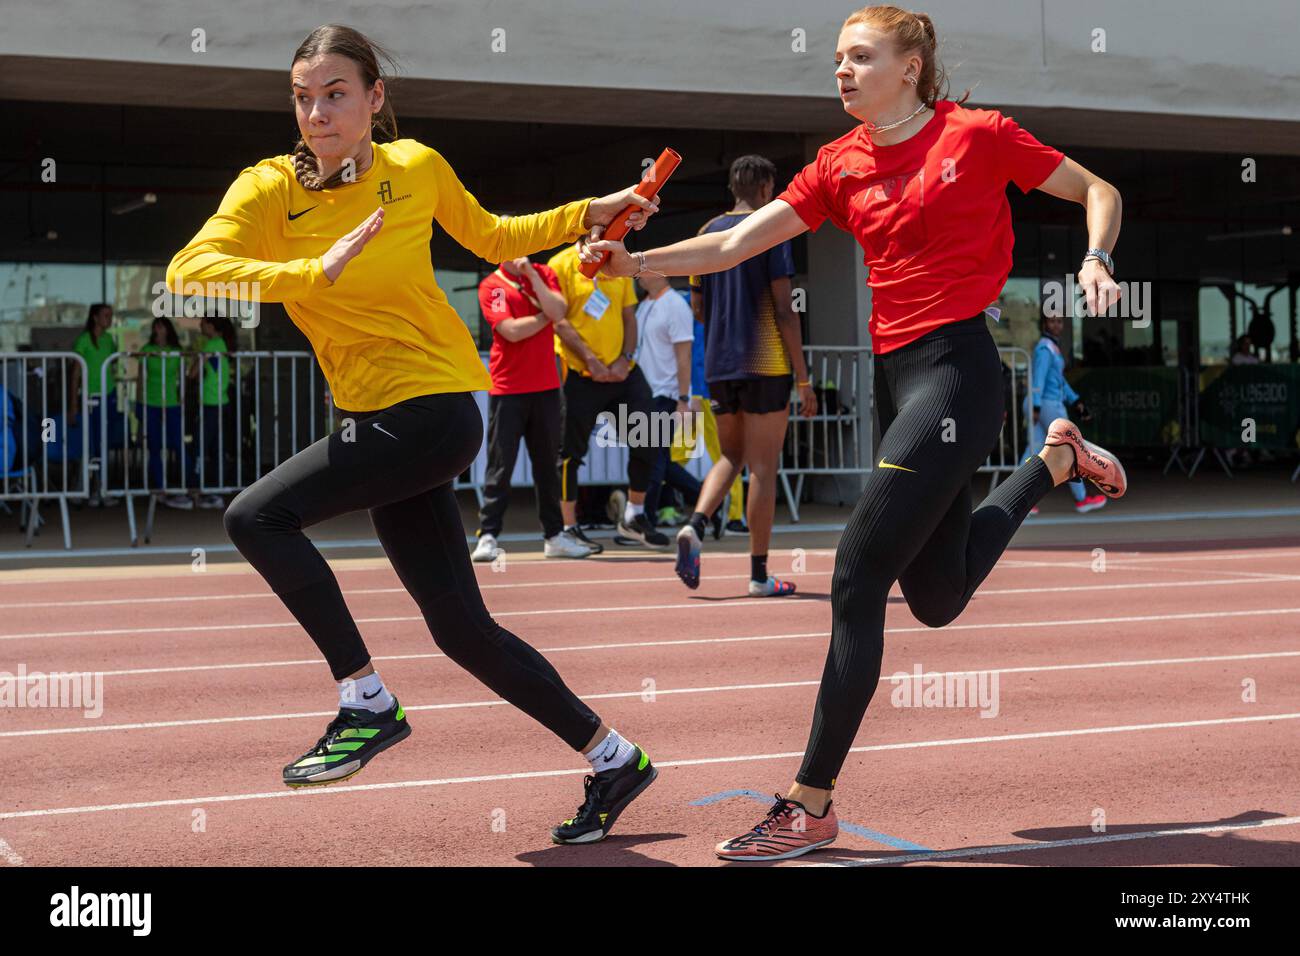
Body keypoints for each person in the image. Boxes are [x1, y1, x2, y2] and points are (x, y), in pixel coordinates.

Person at [582, 4, 1127, 860]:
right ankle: (1053, 464)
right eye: (836, 58)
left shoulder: (978, 135)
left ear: (909, 67)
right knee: (938, 600)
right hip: (895, 378)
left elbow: (1102, 189)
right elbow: (733, 247)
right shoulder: (838, 164)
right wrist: (638, 263)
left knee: (856, 572)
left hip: (958, 371)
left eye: (860, 56)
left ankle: (809, 803)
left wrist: (1095, 258)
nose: (840, 70)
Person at [167, 24, 659, 845]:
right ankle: (615, 756)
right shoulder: (265, 190)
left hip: (433, 412)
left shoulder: (414, 168)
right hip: (374, 418)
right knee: (461, 630)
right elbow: (189, 272)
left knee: (256, 517)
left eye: (336, 94)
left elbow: (496, 237)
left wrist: (590, 212)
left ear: (374, 99)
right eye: (303, 97)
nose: (317, 113)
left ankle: (364, 701)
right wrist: (307, 272)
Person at [677, 154, 818, 597]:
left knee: (729, 457)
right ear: (763, 190)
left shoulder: (704, 233)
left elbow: (698, 307)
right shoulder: (770, 229)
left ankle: (696, 525)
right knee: (762, 467)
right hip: (766, 362)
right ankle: (758, 575)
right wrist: (803, 378)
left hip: (719, 363)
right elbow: (785, 309)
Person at [471, 255, 594, 561]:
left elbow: (559, 310)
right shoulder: (493, 285)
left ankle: (554, 536)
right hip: (508, 388)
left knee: (547, 467)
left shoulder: (543, 273)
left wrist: (532, 278)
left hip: (546, 388)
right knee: (501, 466)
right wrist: (544, 318)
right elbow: (510, 330)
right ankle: (488, 535)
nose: (519, 253)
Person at [547, 240, 668, 550]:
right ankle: (568, 527)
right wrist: (591, 360)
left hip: (621, 372)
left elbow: (629, 316)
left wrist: (625, 358)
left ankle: (634, 515)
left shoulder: (616, 264)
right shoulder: (560, 264)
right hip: (579, 374)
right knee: (569, 454)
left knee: (651, 433)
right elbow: (558, 321)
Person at [632, 270, 703, 526]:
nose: (638, 275)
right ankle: (709, 502)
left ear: (662, 275)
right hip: (645, 393)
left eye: (643, 269)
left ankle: (645, 519)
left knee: (653, 459)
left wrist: (683, 399)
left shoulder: (675, 306)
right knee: (657, 459)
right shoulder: (645, 306)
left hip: (665, 393)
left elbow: (684, 356)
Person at [1026, 313, 1104, 514]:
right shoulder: (1045, 349)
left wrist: (1075, 400)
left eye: (1059, 321)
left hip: (1045, 404)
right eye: (1052, 321)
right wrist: (1035, 407)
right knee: (1070, 449)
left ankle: (1019, 501)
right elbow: (1038, 381)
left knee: (1032, 453)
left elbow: (1059, 380)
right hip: (1047, 405)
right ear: (1044, 324)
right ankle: (1082, 499)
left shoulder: (1051, 348)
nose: (1056, 325)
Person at [137, 317, 193, 510]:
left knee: (178, 444)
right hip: (151, 402)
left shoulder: (176, 352)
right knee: (154, 446)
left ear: (168, 329)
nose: (157, 329)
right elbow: (140, 378)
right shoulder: (146, 350)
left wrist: (183, 398)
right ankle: (161, 487)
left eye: (161, 326)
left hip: (171, 402)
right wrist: (139, 402)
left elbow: (182, 377)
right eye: (155, 326)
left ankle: (187, 485)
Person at [70, 303, 122, 507]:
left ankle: (100, 490)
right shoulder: (83, 340)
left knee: (103, 444)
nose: (109, 319)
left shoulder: (110, 340)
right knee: (89, 445)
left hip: (107, 397)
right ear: (95, 317)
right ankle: (84, 489)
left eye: (111, 315)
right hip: (89, 398)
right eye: (106, 315)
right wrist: (73, 405)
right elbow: (75, 374)